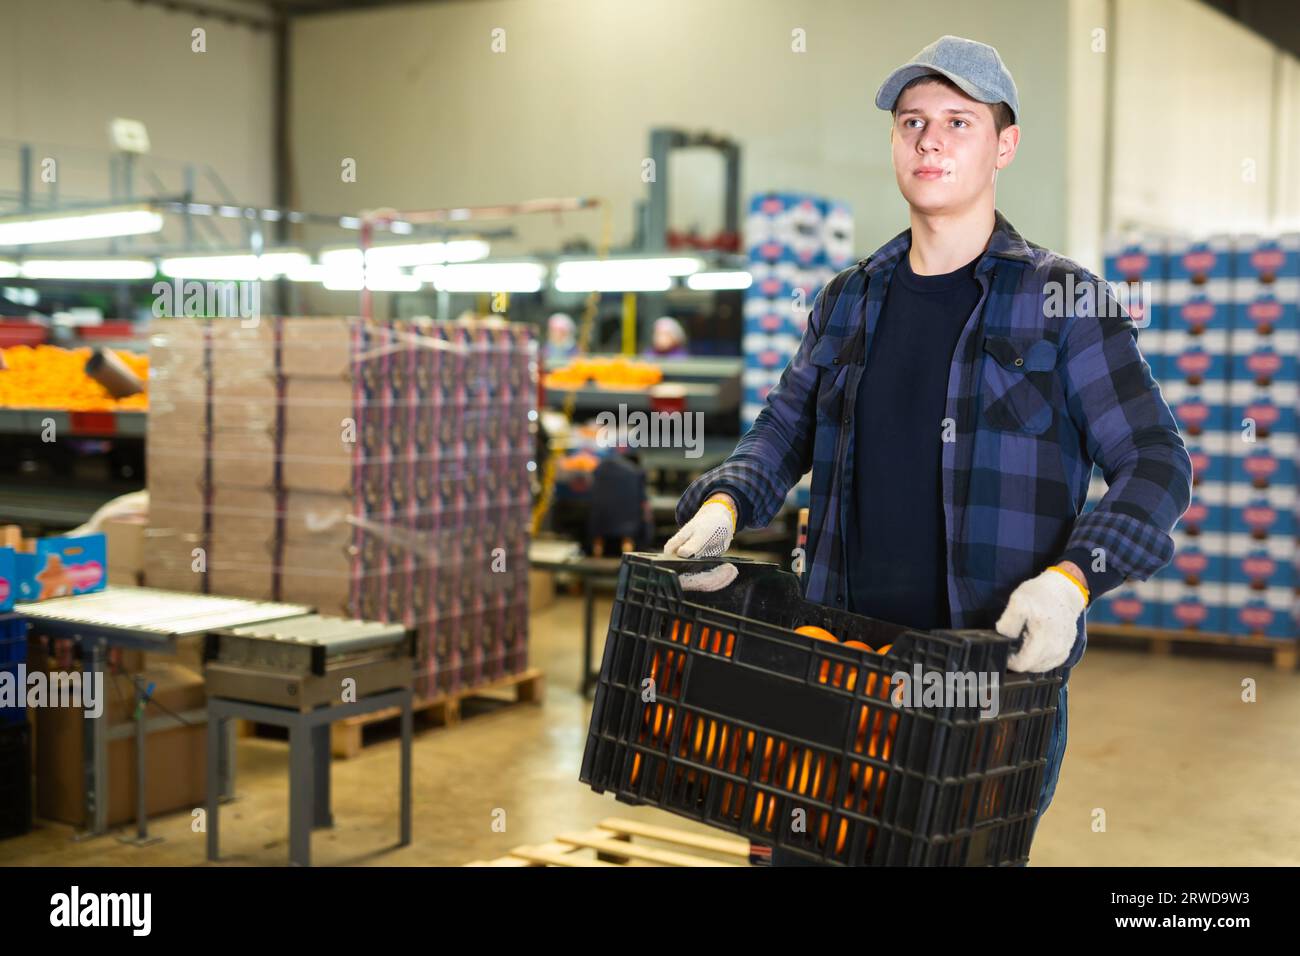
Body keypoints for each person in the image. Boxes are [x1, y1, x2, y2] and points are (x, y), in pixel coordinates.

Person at [664, 35, 1192, 864]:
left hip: (983, 692)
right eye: (912, 121)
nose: (930, 140)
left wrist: (1070, 582)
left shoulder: (1066, 303)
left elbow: (1157, 462)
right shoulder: (848, 300)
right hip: (836, 671)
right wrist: (726, 501)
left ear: (1003, 145)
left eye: (957, 120)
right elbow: (782, 429)